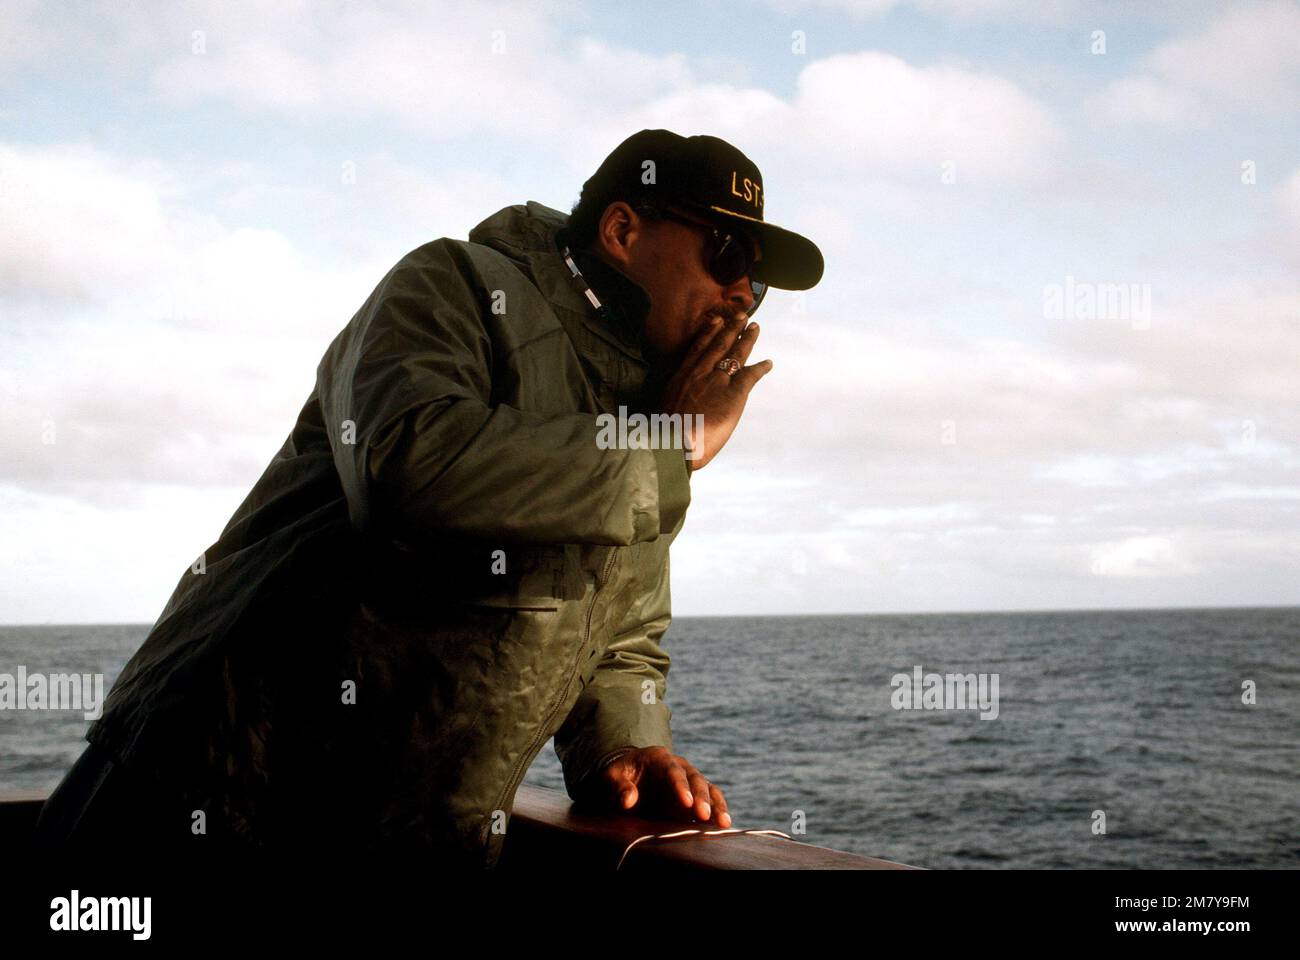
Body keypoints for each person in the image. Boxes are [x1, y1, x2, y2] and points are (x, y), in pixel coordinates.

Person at [34, 128, 824, 868]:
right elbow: (411, 462)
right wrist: (674, 448)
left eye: (757, 285)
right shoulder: (455, 287)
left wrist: (626, 744)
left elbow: (619, 632)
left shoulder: (648, 411)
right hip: (210, 791)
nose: (743, 296)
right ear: (622, 231)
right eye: (725, 256)